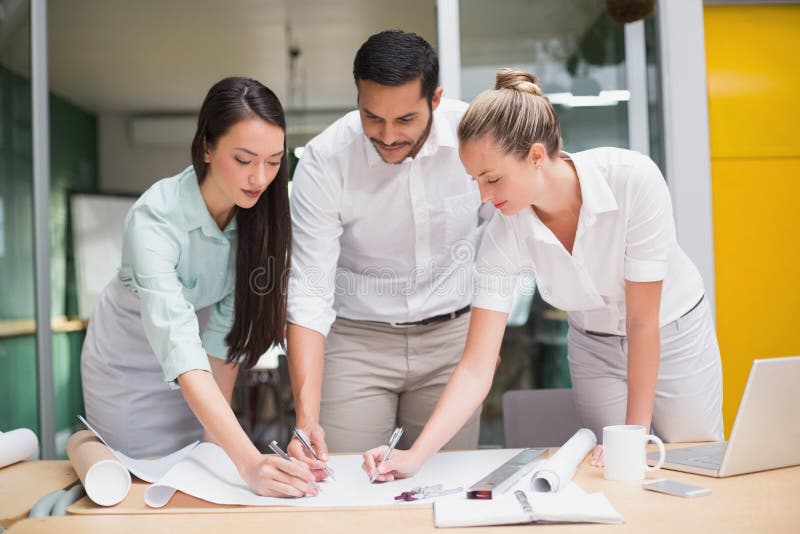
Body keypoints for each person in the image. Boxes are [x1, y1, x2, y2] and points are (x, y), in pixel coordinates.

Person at [362, 68, 724, 481]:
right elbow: (478, 366)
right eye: (476, 181)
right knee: (610, 472)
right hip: (594, 347)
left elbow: (643, 322)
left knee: (694, 460)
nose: (484, 196)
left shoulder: (632, 180)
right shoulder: (503, 233)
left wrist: (637, 433)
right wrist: (414, 455)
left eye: (493, 178)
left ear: (535, 156)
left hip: (673, 330)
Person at [81, 77, 317, 498]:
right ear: (206, 147)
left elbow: (223, 341)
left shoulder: (257, 221)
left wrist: (219, 446)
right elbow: (178, 343)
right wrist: (250, 462)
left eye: (273, 161)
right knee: (129, 485)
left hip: (201, 374)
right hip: (128, 366)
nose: (260, 178)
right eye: (244, 159)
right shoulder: (154, 218)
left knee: (201, 468)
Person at [286, 30, 486, 478]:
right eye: (372, 118)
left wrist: (487, 341)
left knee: (447, 481)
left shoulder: (475, 135)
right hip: (356, 340)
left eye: (406, 120)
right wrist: (305, 416)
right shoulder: (325, 159)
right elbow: (309, 290)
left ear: (435, 98)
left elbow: (506, 236)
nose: (389, 135)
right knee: (341, 481)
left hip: (451, 338)